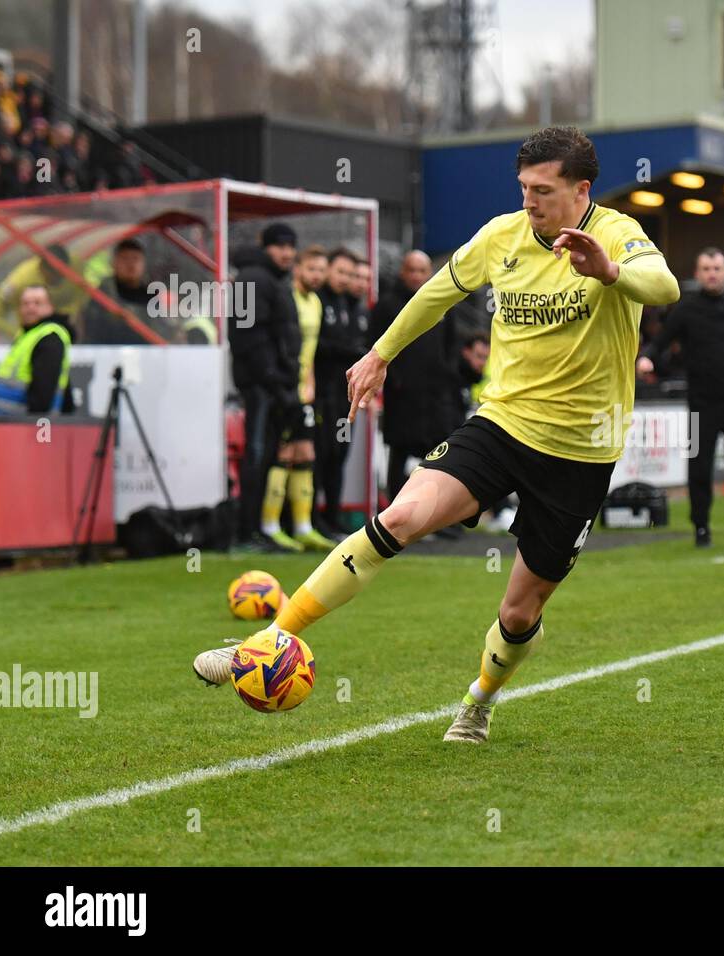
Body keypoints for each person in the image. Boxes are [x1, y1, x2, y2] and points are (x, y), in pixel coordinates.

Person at [192, 126, 680, 745]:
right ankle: (266, 641)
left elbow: (665, 286)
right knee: (400, 516)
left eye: (544, 190)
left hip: (580, 454)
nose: (529, 201)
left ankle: (480, 700)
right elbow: (437, 294)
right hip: (501, 424)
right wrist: (379, 355)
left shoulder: (614, 233)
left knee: (518, 612)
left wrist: (609, 271)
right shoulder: (501, 236)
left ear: (582, 190)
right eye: (524, 188)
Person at [637, 247, 724, 548]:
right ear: (697, 274)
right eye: (706, 269)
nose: (712, 274)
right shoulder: (686, 309)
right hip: (702, 404)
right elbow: (661, 340)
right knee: (699, 467)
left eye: (717, 269)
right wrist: (647, 357)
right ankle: (701, 528)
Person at [227, 222, 302, 551]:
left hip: (272, 384)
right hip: (261, 385)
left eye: (291, 246)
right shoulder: (253, 278)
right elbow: (247, 337)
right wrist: (274, 379)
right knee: (256, 455)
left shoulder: (270, 279)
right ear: (266, 247)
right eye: (280, 246)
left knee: (267, 455)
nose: (287, 253)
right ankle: (245, 533)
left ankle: (258, 529)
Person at [260, 245, 336, 553]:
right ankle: (270, 526)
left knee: (305, 453)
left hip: (306, 390)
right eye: (311, 269)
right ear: (298, 269)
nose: (317, 276)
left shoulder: (316, 302)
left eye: (321, 270)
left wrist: (311, 386)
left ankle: (303, 527)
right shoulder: (285, 298)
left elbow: (311, 350)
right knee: (283, 452)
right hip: (284, 388)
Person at [371, 250, 455, 503]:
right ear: (402, 272)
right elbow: (375, 346)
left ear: (429, 273)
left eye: (422, 270)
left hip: (435, 396)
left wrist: (446, 376)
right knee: (400, 452)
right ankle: (395, 513)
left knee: (438, 454)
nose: (417, 276)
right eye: (412, 270)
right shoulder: (387, 304)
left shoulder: (442, 302)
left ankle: (434, 514)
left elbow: (451, 345)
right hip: (403, 396)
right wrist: (396, 381)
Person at [312, 247, 366, 536]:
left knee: (338, 457)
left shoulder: (352, 305)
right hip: (321, 395)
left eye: (350, 273)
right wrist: (352, 352)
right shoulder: (319, 301)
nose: (346, 279)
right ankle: (310, 519)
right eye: (341, 272)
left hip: (345, 399)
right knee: (320, 457)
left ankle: (331, 518)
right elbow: (316, 346)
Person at [0, 285, 76, 415]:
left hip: (24, 425)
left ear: (50, 307)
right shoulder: (27, 334)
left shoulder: (49, 337)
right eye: (25, 304)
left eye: (37, 303)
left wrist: (33, 428)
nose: (30, 308)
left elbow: (43, 395)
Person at [80, 238, 175, 344]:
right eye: (124, 258)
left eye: (135, 259)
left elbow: (164, 332)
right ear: (114, 263)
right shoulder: (102, 296)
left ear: (143, 264)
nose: (130, 264)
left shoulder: (151, 296)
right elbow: (91, 330)